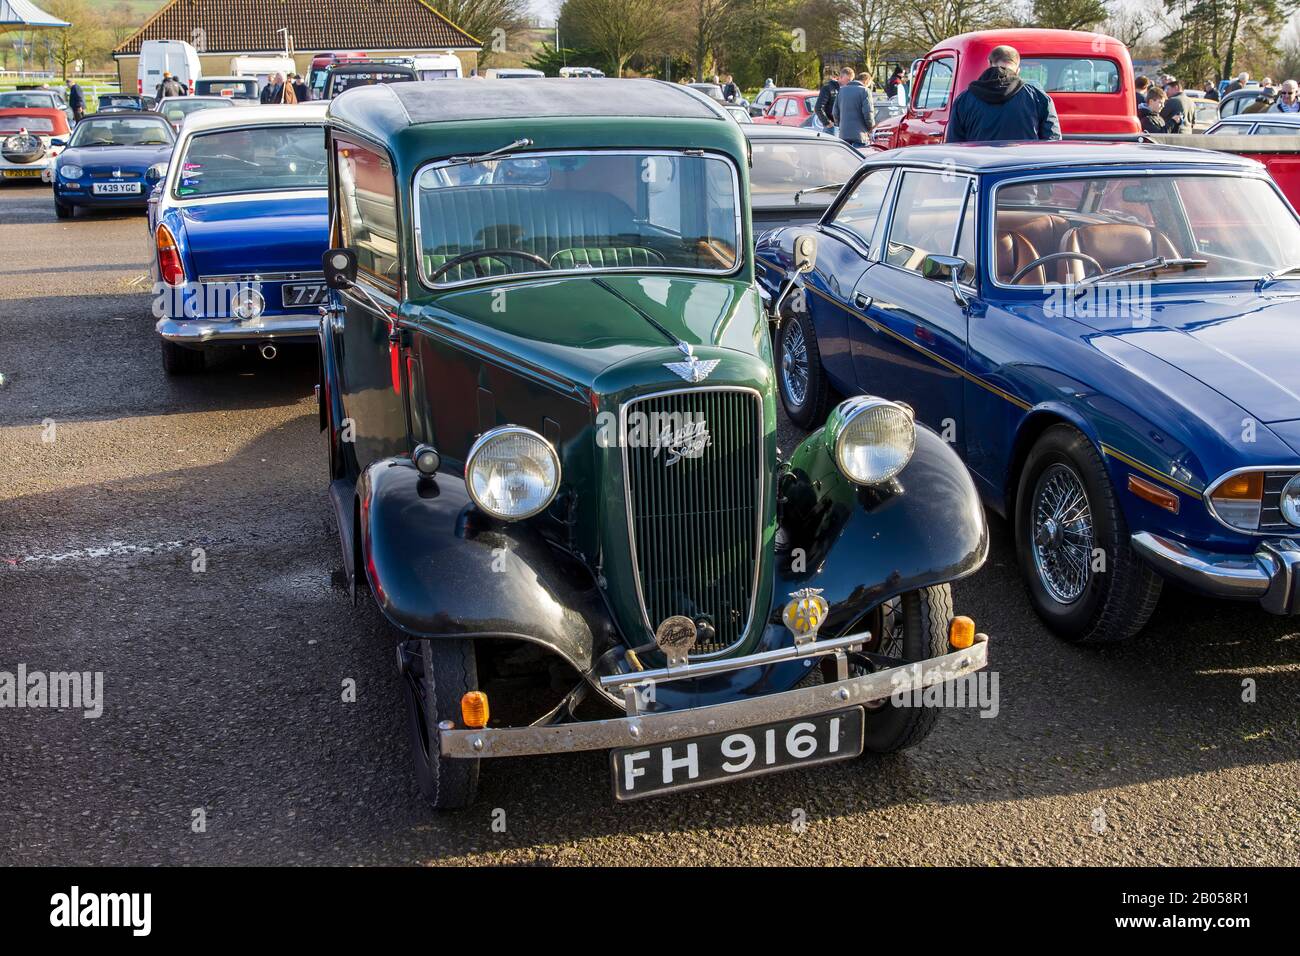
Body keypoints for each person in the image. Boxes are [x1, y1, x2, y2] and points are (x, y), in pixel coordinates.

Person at [946, 45, 1061, 143]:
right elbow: (1052, 143)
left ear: (989, 63)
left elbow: (954, 144)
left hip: (980, 166)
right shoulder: (1039, 98)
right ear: (1018, 70)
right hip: (1022, 166)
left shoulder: (964, 99)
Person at [832, 67, 874, 148]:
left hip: (843, 134)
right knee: (860, 159)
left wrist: (840, 125)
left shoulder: (841, 91)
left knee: (846, 159)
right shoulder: (865, 91)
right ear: (867, 81)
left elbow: (835, 112)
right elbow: (868, 113)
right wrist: (870, 128)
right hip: (860, 134)